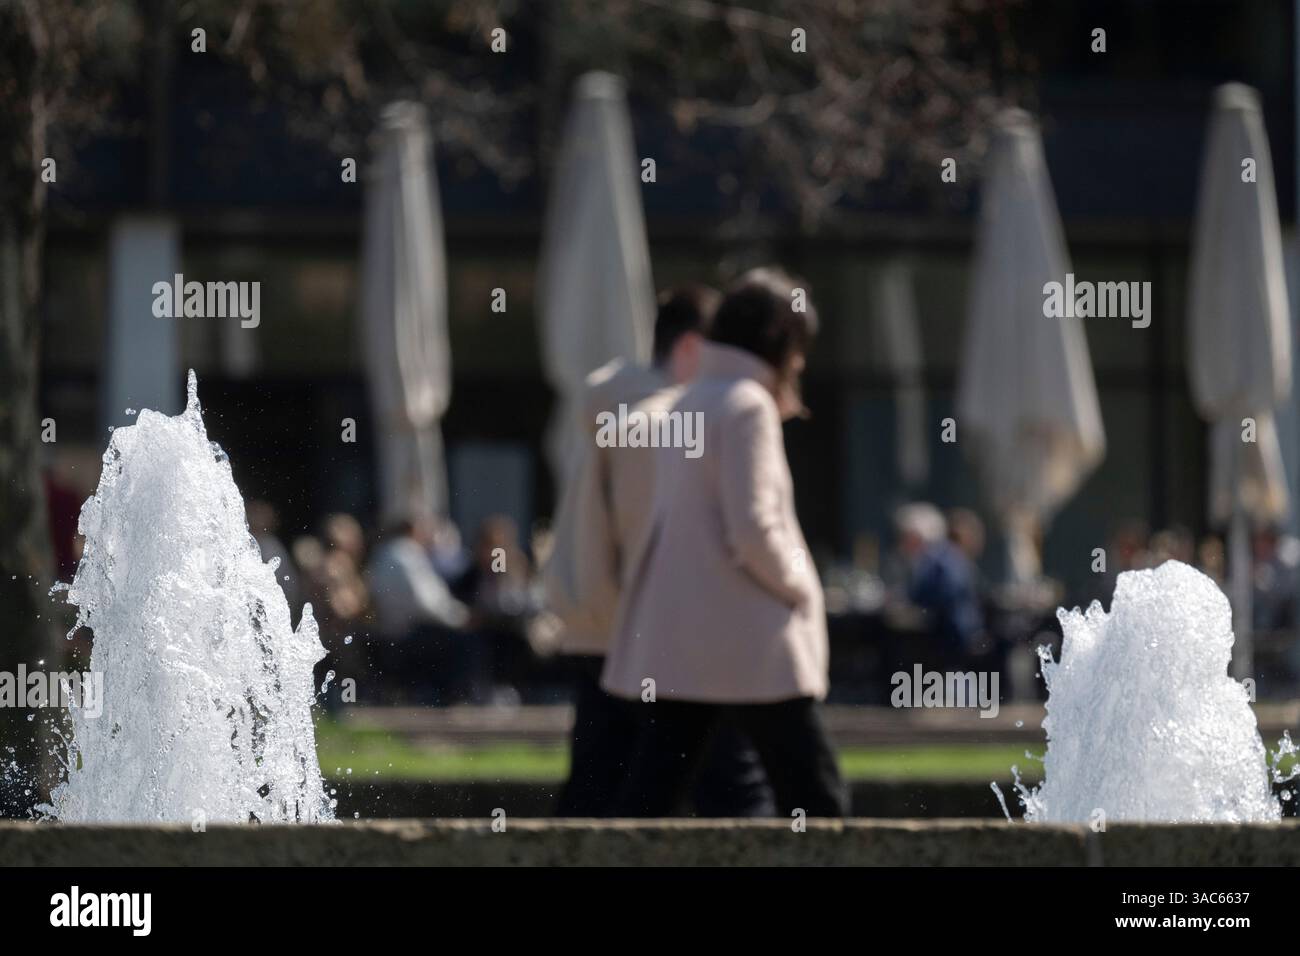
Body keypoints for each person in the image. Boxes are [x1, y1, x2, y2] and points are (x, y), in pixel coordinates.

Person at [603, 268, 847, 818]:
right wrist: (799, 589)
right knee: (816, 799)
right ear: (781, 341)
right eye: (800, 347)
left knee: (651, 800)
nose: (802, 362)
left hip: (680, 636)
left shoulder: (690, 400)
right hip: (752, 638)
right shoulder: (746, 406)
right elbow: (754, 526)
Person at [545, 284, 773, 817]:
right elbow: (668, 547)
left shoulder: (616, 413)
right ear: (693, 349)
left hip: (601, 632)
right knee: (737, 797)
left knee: (605, 795)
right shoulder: (669, 424)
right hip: (657, 641)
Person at [365, 515, 482, 704]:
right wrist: (461, 618)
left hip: (392, 631)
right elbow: (427, 603)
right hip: (410, 632)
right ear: (413, 531)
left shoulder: (382, 554)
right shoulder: (408, 555)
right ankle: (457, 698)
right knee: (468, 641)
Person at [895, 503, 986, 666]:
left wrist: (912, 600)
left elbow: (941, 592)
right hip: (959, 630)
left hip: (951, 633)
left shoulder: (938, 559)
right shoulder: (944, 556)